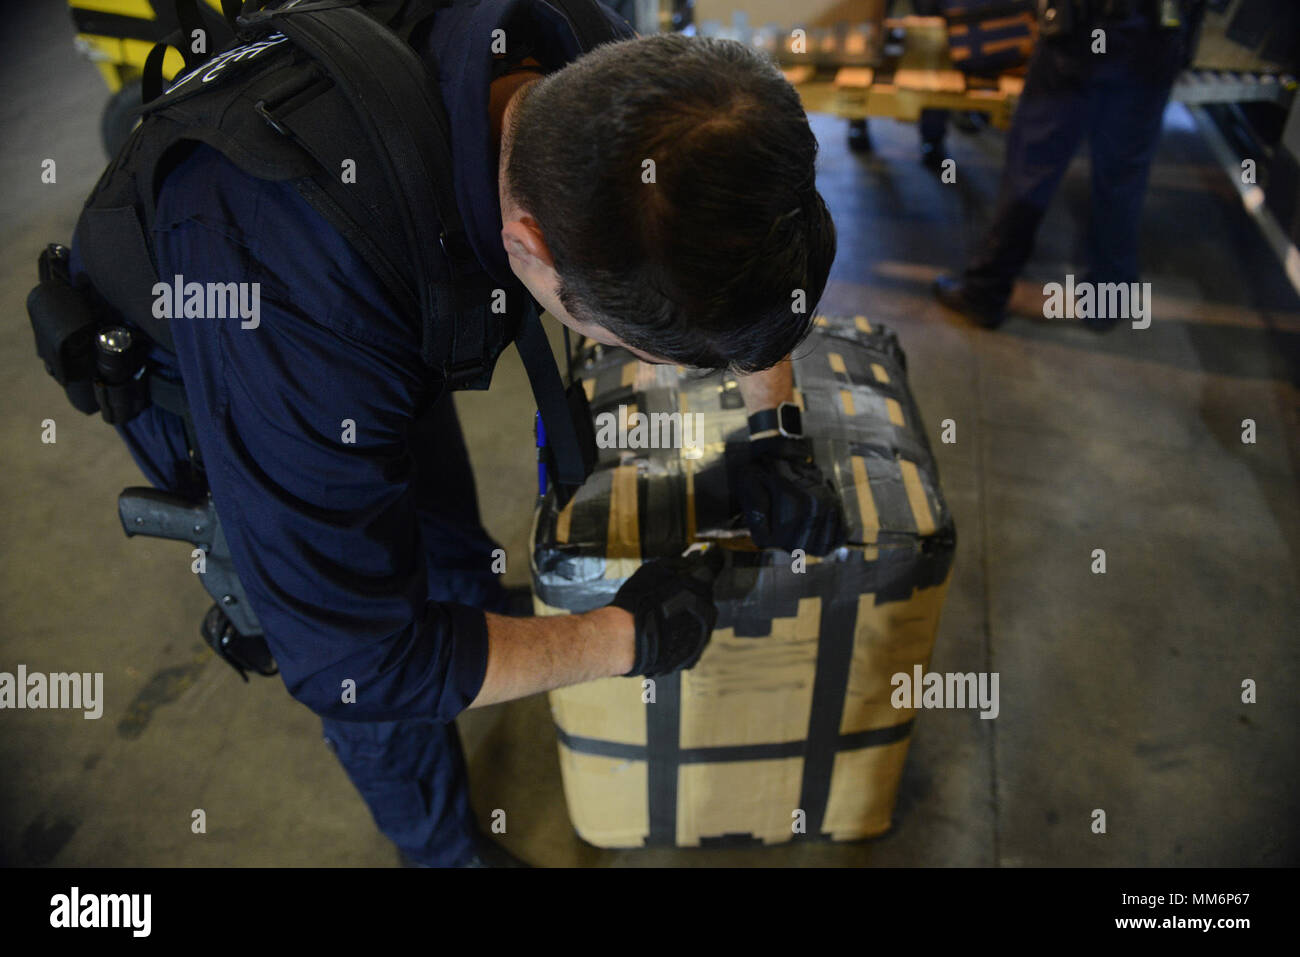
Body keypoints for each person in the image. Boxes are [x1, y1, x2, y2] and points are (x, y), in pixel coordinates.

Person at [66, 1, 842, 866]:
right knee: (370, 631)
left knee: (447, 552)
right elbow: (357, 659)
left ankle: (478, 621)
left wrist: (776, 428)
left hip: (385, 292)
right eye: (638, 347)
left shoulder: (610, 78)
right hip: (221, 361)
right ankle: (442, 850)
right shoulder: (296, 292)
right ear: (530, 248)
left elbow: (737, 253)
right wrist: (626, 637)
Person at [933, 0, 1205, 331]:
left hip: (1083, 34)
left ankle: (986, 291)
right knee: (1122, 177)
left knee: (1032, 168)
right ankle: (1107, 302)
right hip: (1154, 36)